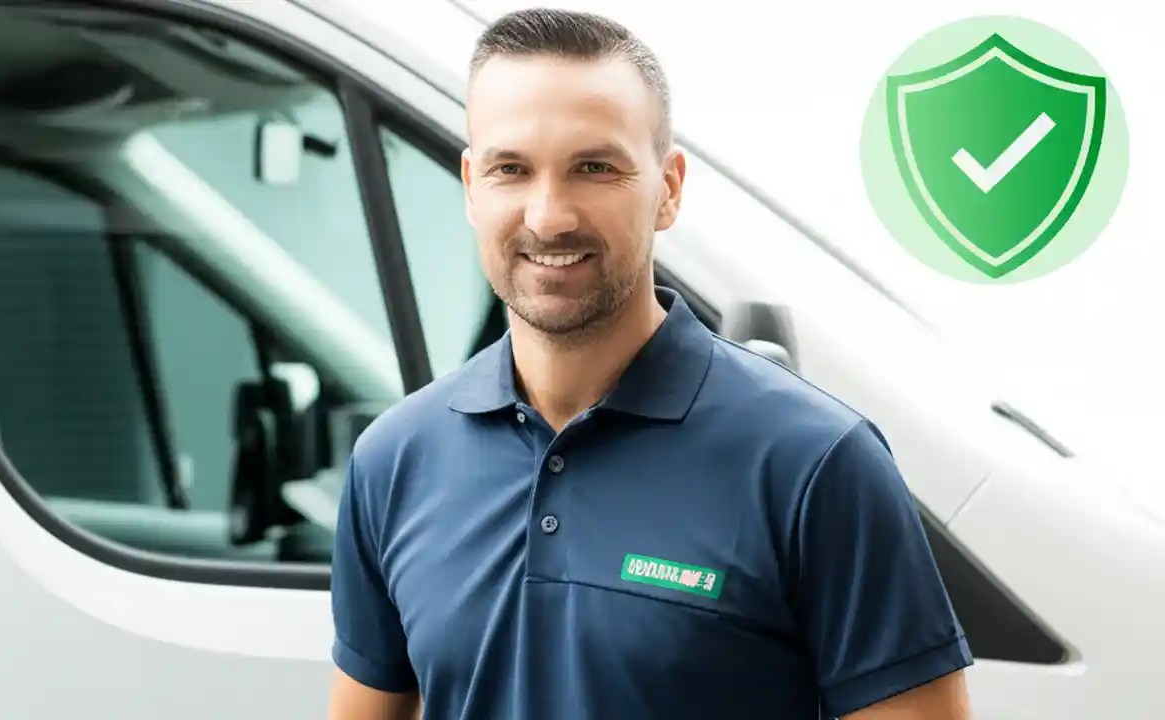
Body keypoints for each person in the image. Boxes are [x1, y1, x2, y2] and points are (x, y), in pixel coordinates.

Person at [327, 7, 974, 719]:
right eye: (511, 169)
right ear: (471, 186)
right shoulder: (394, 460)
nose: (548, 217)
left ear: (668, 189)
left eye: (594, 168)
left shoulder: (815, 464)